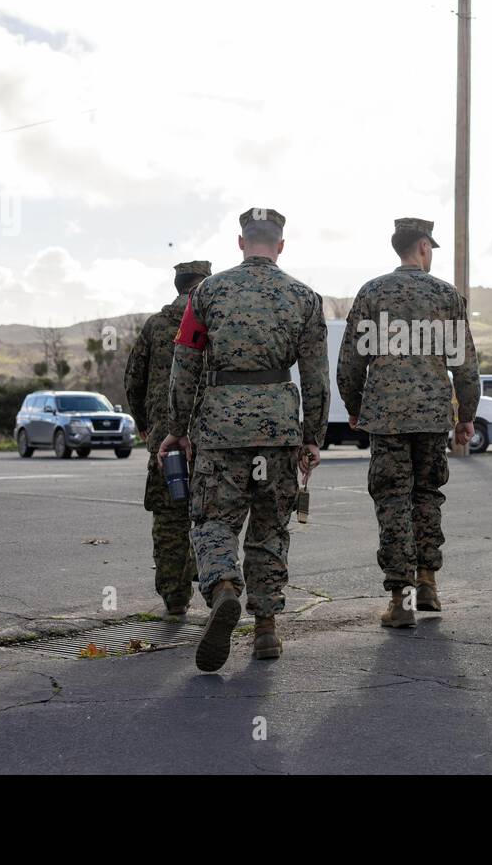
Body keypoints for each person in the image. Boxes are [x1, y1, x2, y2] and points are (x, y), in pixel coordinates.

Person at [159, 208, 329, 672]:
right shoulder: (305, 298)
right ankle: (267, 631)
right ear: (280, 245)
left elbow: (184, 366)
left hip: (220, 428)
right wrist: (312, 437)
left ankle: (224, 588)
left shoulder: (205, 293)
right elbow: (316, 377)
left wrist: (177, 429)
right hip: (277, 429)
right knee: (270, 527)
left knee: (213, 521)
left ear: (240, 242)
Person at [336, 217, 480, 628]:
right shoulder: (446, 296)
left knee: (393, 499)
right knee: (427, 494)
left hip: (385, 417)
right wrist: (465, 416)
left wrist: (354, 405)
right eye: (431, 247)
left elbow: (350, 361)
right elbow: (465, 364)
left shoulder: (372, 292)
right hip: (433, 416)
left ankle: (402, 600)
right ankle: (429, 583)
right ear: (422, 246)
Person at [125, 259, 212, 616]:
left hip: (166, 442)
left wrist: (145, 423)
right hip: (210, 438)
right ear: (204, 284)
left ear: (177, 285)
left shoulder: (156, 326)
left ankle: (175, 598)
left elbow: (134, 379)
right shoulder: (215, 320)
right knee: (210, 517)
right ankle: (216, 589)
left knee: (169, 517)